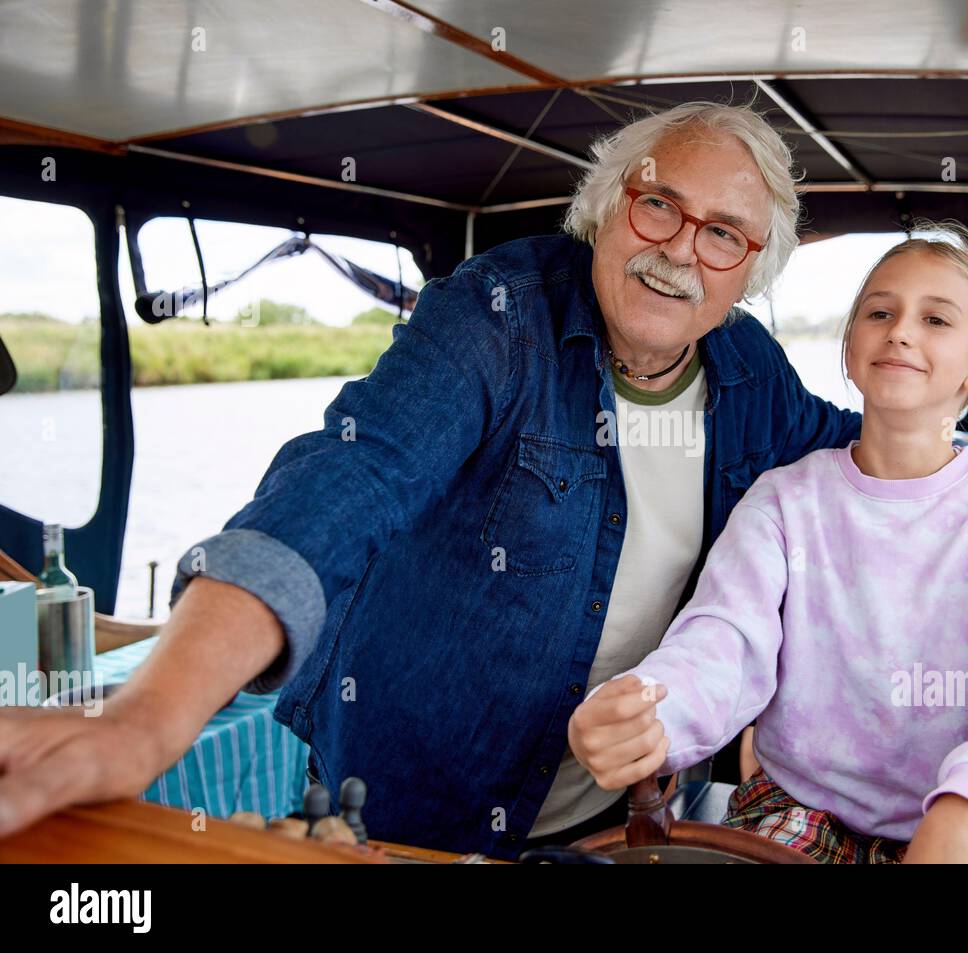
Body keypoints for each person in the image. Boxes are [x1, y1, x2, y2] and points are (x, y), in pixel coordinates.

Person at [0, 101, 862, 859]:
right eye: (658, 205)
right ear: (606, 209)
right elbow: (347, 477)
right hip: (415, 799)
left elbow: (871, 455)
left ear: (751, 268)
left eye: (721, 233)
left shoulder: (752, 370)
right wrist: (146, 720)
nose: (680, 249)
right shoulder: (498, 315)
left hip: (608, 810)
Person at [568, 220, 968, 864]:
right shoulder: (784, 500)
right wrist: (651, 711)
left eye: (936, 320)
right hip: (800, 808)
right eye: (880, 311)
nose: (901, 329)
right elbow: (723, 640)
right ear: (850, 348)